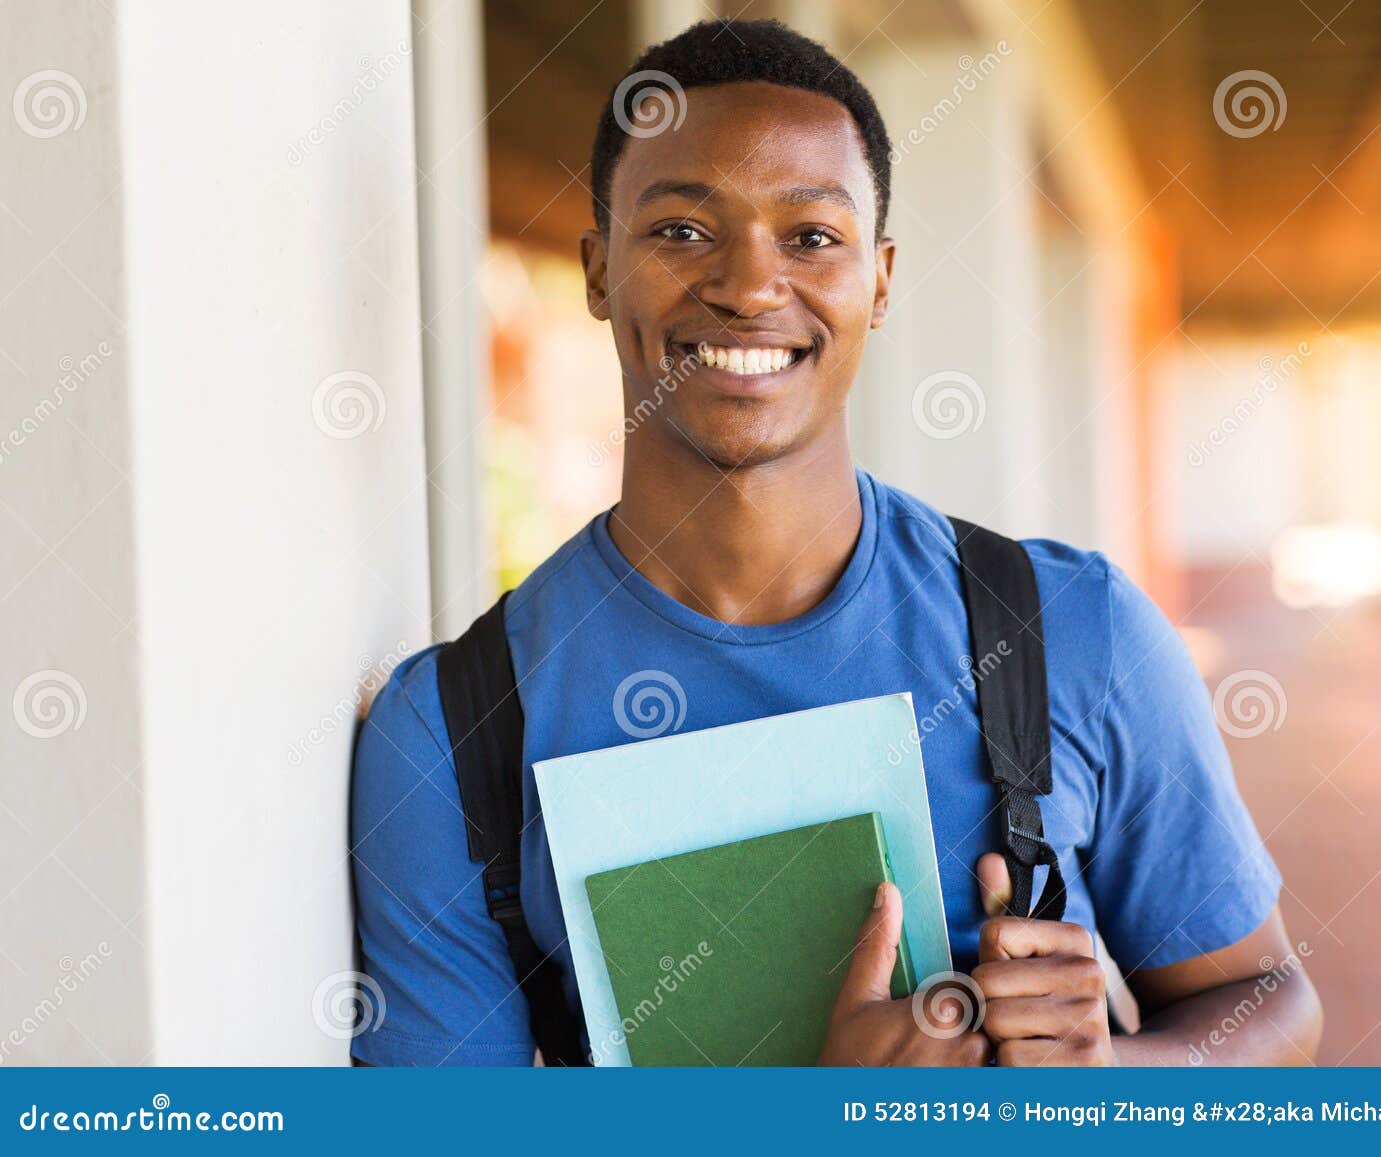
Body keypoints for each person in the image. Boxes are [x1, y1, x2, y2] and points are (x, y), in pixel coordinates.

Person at [350, 18, 1321, 1067]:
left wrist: (1113, 1074)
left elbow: (1267, 1001)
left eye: (811, 237)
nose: (750, 284)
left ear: (882, 279)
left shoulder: (1069, 629)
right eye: (680, 229)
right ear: (597, 273)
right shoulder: (449, 734)